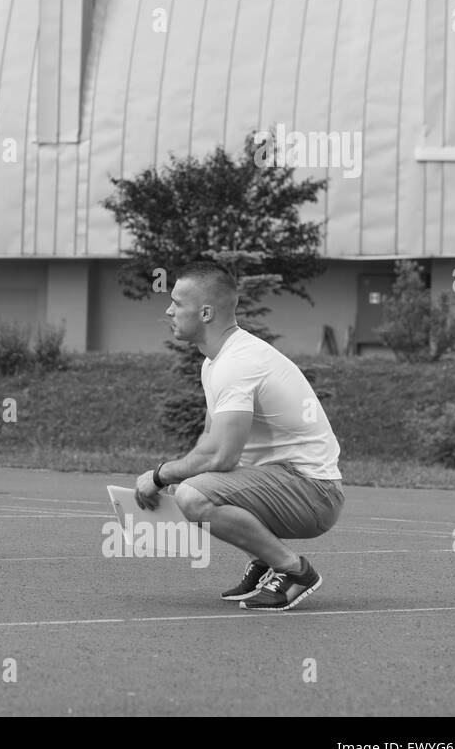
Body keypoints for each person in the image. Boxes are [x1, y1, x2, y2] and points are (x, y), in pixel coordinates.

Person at [136, 261, 345, 610]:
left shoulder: (237, 363)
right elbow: (210, 442)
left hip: (315, 494)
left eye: (177, 302)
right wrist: (177, 475)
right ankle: (265, 564)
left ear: (205, 313)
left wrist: (159, 475)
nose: (169, 310)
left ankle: (294, 571)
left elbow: (222, 457)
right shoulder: (215, 362)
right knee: (194, 486)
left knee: (194, 496)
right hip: (289, 482)